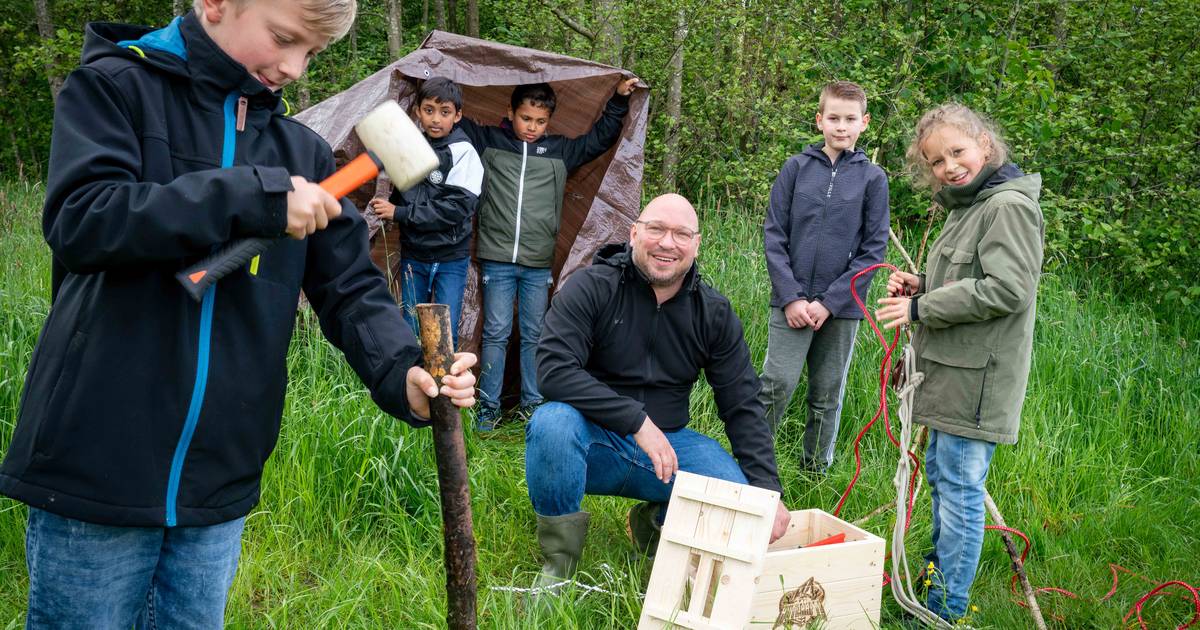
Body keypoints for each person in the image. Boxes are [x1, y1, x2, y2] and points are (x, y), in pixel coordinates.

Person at [0, 1, 477, 626]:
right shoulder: (116, 87)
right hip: (96, 467)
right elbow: (84, 218)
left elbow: (352, 290)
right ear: (216, 4)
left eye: (311, 53)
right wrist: (249, 195)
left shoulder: (300, 153)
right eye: (283, 38)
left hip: (217, 481)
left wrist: (403, 372)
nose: (294, 67)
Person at [526, 193, 792, 588]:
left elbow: (742, 405)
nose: (668, 243)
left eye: (682, 234)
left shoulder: (713, 313)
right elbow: (552, 371)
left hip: (670, 449)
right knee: (551, 423)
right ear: (634, 233)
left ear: (696, 244)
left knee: (741, 500)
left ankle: (655, 525)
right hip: (592, 440)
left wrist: (768, 493)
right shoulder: (591, 286)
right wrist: (635, 421)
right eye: (656, 230)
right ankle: (558, 569)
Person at [876, 103, 1044, 622]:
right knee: (947, 482)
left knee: (960, 491)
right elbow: (971, 279)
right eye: (936, 161)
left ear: (985, 147)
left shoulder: (1007, 207)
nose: (949, 166)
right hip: (952, 376)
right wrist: (922, 285)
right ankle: (934, 588)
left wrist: (921, 307)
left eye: (958, 152)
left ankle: (944, 609)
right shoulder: (967, 207)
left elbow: (1007, 289)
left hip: (978, 383)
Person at [457, 78, 638, 431]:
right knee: (495, 332)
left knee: (535, 334)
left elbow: (599, 139)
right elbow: (453, 119)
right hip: (497, 257)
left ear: (549, 121)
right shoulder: (490, 142)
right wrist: (432, 77)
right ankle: (488, 410)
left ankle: (532, 408)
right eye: (526, 119)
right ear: (510, 113)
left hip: (538, 263)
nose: (532, 128)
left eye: (540, 122)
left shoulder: (559, 151)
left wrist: (617, 100)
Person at [760, 80, 889, 472]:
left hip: (842, 308)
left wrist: (831, 303)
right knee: (776, 385)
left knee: (826, 393)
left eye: (850, 119)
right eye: (833, 118)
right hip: (791, 304)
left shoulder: (873, 179)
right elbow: (774, 234)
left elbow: (873, 250)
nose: (841, 126)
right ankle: (753, 464)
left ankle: (815, 470)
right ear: (819, 121)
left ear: (864, 122)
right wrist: (792, 297)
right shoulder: (796, 168)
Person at [369, 77, 484, 347]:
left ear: (458, 115)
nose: (435, 119)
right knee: (410, 328)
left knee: (443, 334)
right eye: (429, 110)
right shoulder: (410, 146)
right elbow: (398, 190)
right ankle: (411, 387)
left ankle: (442, 388)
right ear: (418, 112)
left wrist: (399, 213)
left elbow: (453, 210)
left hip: (450, 258)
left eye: (444, 112)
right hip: (414, 255)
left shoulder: (463, 152)